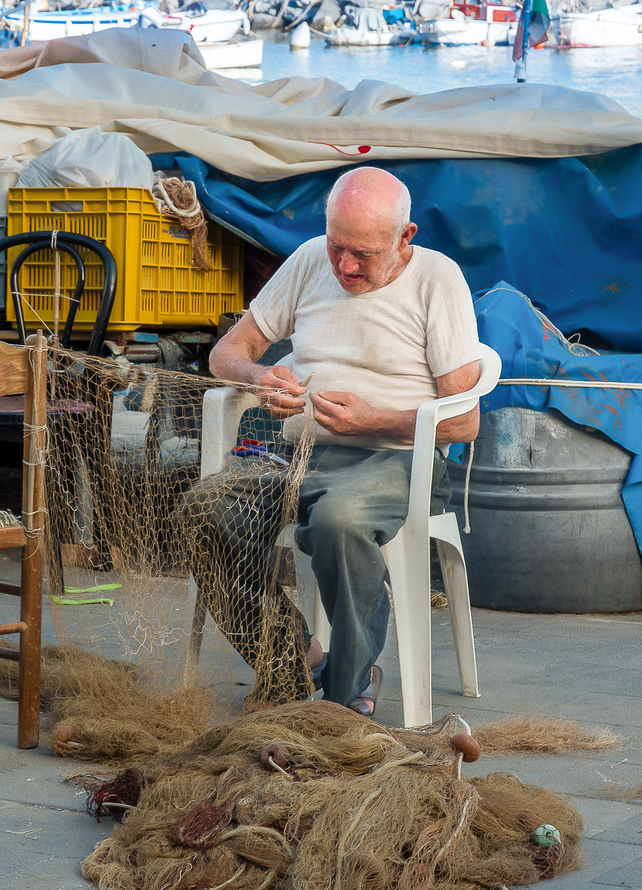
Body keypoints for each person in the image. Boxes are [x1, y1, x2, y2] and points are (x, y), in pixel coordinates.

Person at [194, 166, 482, 715]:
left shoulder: (437, 281)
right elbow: (226, 353)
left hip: (395, 461)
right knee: (205, 511)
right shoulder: (307, 260)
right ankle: (292, 658)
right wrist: (260, 379)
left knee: (338, 520)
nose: (345, 266)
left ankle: (347, 690)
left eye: (364, 255)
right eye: (337, 247)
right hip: (299, 456)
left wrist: (374, 420)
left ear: (405, 238)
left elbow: (464, 422)